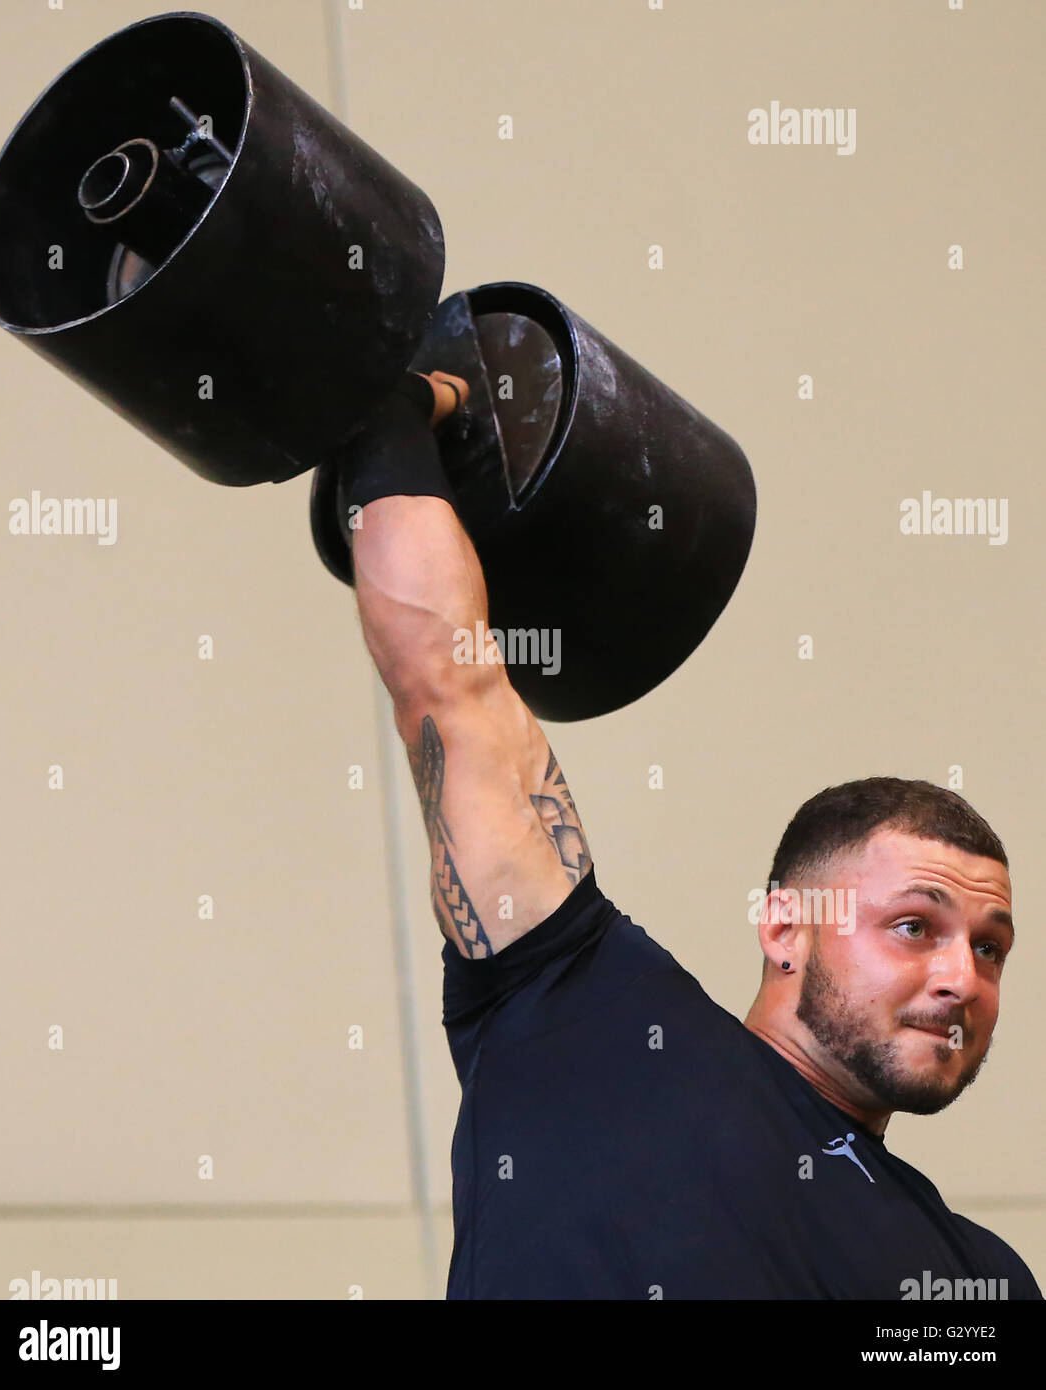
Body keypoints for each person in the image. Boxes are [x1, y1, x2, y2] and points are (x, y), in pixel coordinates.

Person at [334, 369, 1042, 1300]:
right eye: (916, 925)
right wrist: (384, 419)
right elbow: (449, 688)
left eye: (990, 949)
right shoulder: (594, 1023)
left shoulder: (970, 1282)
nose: (963, 978)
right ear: (786, 927)